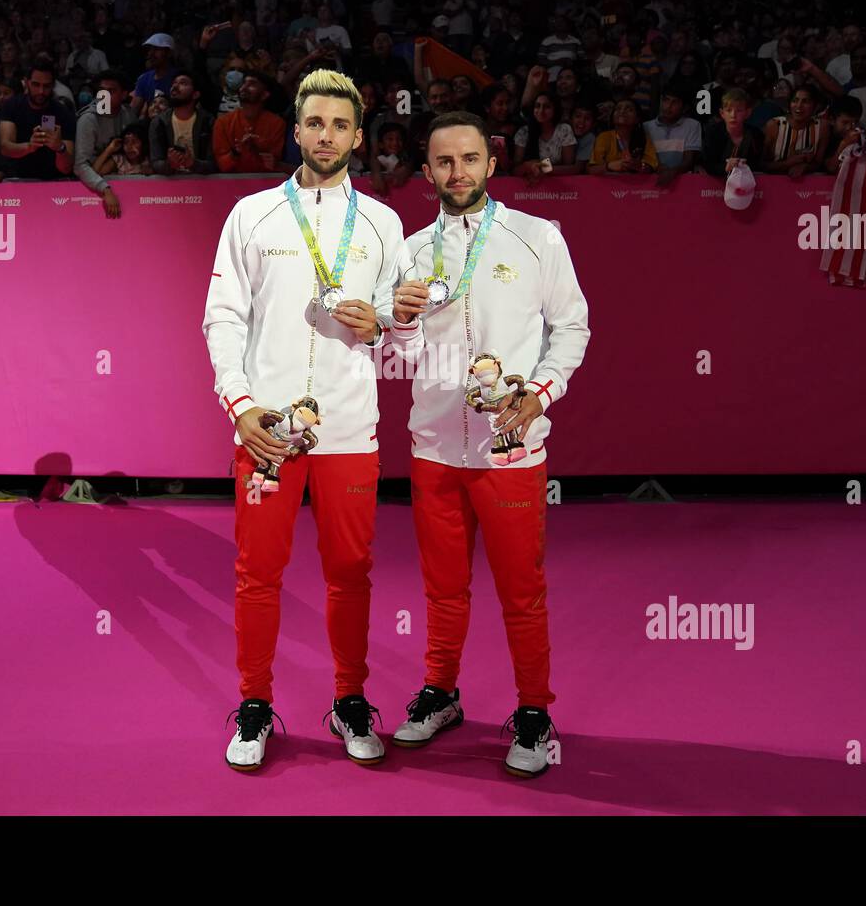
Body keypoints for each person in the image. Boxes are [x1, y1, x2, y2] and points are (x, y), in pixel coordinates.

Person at [203, 69, 409, 772]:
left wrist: (379, 320)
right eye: (314, 123)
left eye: (340, 125)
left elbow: (405, 324)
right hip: (267, 434)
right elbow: (222, 317)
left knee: (351, 570)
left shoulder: (383, 223)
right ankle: (254, 703)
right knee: (258, 572)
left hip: (350, 433)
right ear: (297, 129)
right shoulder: (251, 215)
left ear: (358, 135)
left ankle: (350, 698)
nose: (326, 136)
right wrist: (241, 405)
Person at [386, 110, 590, 778]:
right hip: (435, 447)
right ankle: (442, 692)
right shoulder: (410, 252)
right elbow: (396, 349)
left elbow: (573, 327)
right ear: (428, 171)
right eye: (444, 162)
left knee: (521, 590)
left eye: (469, 158)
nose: (458, 172)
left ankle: (533, 710)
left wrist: (542, 391)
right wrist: (400, 321)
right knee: (444, 587)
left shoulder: (537, 239)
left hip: (511, 447)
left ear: (491, 163)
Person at [0, 57, 76, 180]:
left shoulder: (62, 113)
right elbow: (5, 148)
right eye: (36, 84)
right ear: (26, 82)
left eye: (46, 86)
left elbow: (66, 168)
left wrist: (59, 148)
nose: (41, 91)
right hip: (18, 177)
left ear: (53, 85)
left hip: (52, 180)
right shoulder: (12, 106)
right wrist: (30, 147)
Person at [74, 69, 139, 218]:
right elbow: (80, 165)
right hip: (94, 182)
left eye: (111, 91)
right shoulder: (88, 120)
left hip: (125, 178)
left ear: (123, 94)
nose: (104, 96)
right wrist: (106, 189)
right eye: (102, 91)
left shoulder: (129, 114)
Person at [211, 71, 286, 174]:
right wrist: (236, 152)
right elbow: (222, 165)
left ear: (264, 95)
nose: (243, 88)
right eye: (243, 83)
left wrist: (257, 148)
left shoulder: (277, 124)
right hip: (232, 181)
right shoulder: (223, 122)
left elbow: (273, 165)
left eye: (252, 84)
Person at [149, 71, 215, 176]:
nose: (175, 86)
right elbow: (155, 163)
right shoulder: (159, 122)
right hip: (171, 184)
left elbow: (213, 165)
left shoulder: (207, 122)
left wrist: (193, 163)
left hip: (201, 183)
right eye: (174, 83)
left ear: (195, 94)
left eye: (183, 83)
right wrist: (170, 164)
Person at [762, 83, 829, 177]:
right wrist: (787, 164)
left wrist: (805, 167)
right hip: (773, 181)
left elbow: (818, 163)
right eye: (795, 100)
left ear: (815, 106)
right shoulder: (774, 125)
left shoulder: (822, 127)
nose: (799, 106)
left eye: (805, 101)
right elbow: (761, 165)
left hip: (805, 184)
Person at [700, 87, 764, 178]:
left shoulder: (756, 135)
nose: (733, 115)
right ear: (722, 113)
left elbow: (758, 164)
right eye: (729, 110)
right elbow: (707, 164)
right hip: (716, 184)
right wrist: (725, 167)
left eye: (739, 110)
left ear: (747, 113)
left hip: (747, 183)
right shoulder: (713, 133)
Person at [588, 97, 658, 174]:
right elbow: (591, 170)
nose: (622, 111)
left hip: (636, 184)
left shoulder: (644, 139)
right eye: (618, 108)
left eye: (629, 109)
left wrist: (639, 166)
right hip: (608, 184)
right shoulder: (604, 137)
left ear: (637, 119)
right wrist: (609, 166)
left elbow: (651, 167)